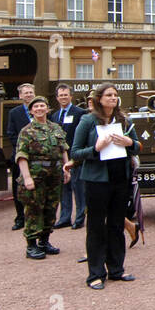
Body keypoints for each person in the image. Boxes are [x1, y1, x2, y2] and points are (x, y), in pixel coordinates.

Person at [71, 84, 140, 288]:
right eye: (109, 95)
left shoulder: (124, 120)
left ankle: (116, 269)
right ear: (99, 99)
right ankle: (95, 274)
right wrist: (95, 148)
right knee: (96, 227)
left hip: (120, 179)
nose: (113, 98)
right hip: (97, 180)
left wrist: (129, 142)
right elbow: (75, 152)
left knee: (117, 225)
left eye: (115, 95)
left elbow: (137, 147)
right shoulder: (87, 120)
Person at [15, 95, 71, 261]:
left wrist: (66, 168)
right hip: (35, 174)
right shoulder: (27, 131)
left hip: (54, 175)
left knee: (51, 208)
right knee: (34, 209)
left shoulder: (56, 128)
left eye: (42, 106)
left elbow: (63, 149)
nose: (39, 109)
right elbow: (21, 155)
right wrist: (27, 178)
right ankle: (31, 244)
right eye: (36, 107)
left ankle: (44, 241)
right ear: (31, 111)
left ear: (47, 109)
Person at [50, 84, 87, 230]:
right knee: (64, 188)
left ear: (71, 96)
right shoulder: (54, 116)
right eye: (61, 95)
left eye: (66, 95)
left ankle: (79, 218)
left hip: (75, 157)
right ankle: (65, 217)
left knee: (78, 188)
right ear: (57, 98)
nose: (63, 97)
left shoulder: (80, 113)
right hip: (60, 158)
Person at [6, 83, 36, 231]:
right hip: (20, 156)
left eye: (31, 92)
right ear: (20, 96)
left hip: (38, 158)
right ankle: (20, 218)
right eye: (26, 93)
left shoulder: (41, 110)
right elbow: (11, 133)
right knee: (18, 188)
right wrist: (23, 149)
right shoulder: (14, 113)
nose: (29, 95)